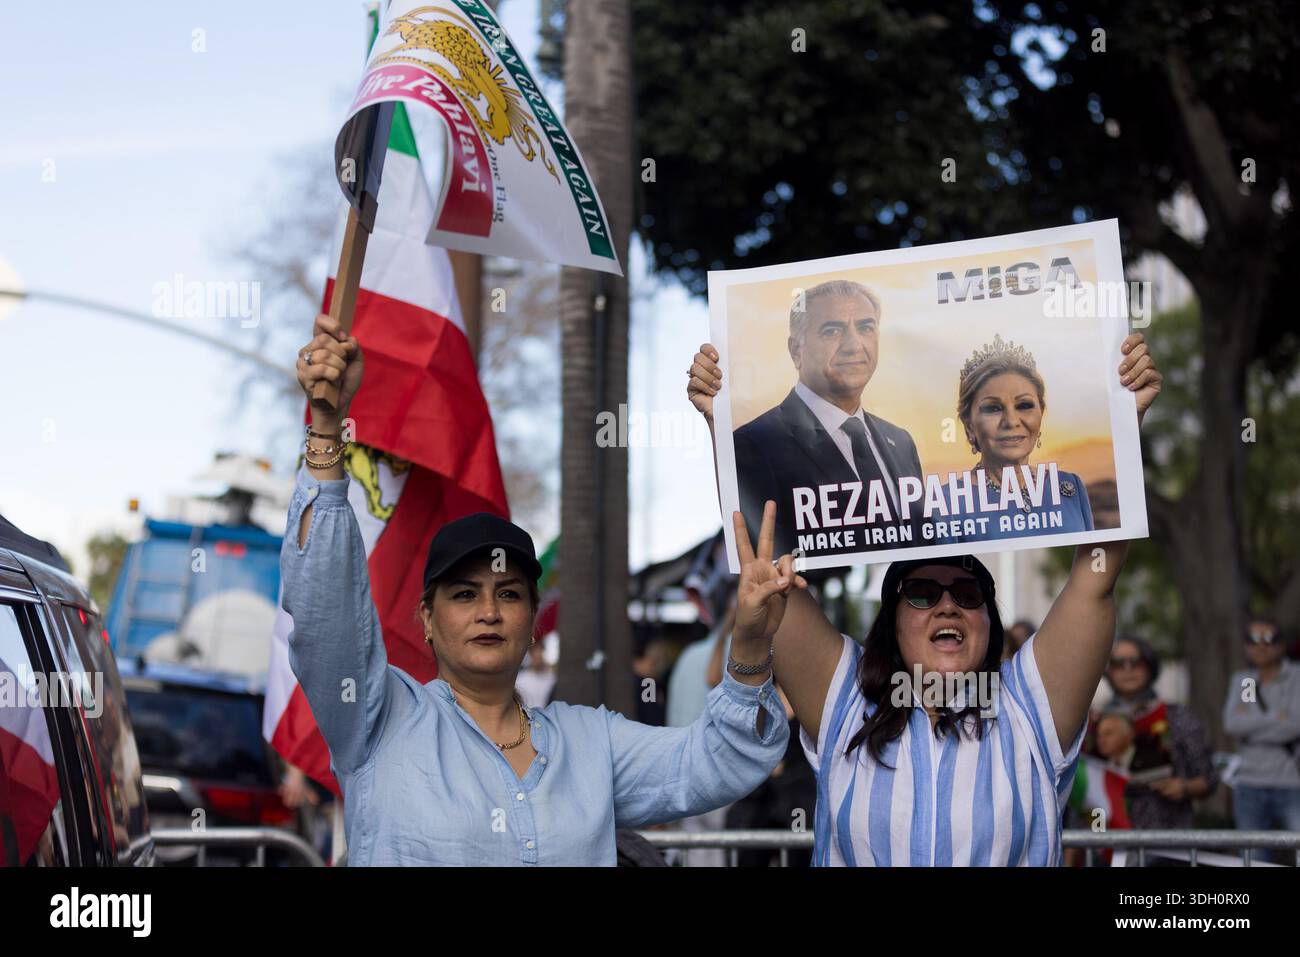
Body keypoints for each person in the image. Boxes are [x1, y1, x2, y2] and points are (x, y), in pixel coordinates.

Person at [284, 313, 789, 866]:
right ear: (426, 619)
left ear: (531, 619)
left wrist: (746, 647)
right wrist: (328, 428)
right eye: (463, 594)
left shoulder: (590, 743)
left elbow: (719, 760)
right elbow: (325, 611)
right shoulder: (379, 721)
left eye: (508, 594)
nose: (488, 612)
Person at [689, 331, 1162, 865]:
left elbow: (1096, 574)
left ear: (989, 620)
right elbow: (766, 560)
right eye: (920, 593)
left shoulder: (1030, 709)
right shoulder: (845, 705)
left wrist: (1126, 420)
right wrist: (721, 426)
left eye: (967, 592)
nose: (947, 605)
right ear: (891, 622)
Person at [720, 280, 923, 558]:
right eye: (832, 331)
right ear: (796, 350)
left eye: (865, 328)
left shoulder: (901, 441)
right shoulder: (755, 444)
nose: (854, 345)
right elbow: (765, 564)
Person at [946, 335, 1092, 543]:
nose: (1011, 421)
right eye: (993, 408)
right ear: (969, 425)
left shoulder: (1070, 488)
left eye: (1024, 405)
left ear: (1041, 413)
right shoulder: (947, 504)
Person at [1088, 634, 1216, 829]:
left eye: (1136, 662)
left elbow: (1208, 778)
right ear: (1108, 671)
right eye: (1118, 663)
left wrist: (1184, 787)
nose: (1127, 669)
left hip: (1165, 835)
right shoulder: (1093, 722)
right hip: (1105, 840)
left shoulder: (1176, 716)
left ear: (1150, 666)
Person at [1222, 617, 1300, 843]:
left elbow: (1295, 726)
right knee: (1253, 856)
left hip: (1292, 782)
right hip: (1249, 785)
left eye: (1269, 639)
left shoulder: (1295, 677)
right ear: (1246, 646)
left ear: (1281, 644)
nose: (1262, 645)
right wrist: (1276, 717)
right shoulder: (1247, 681)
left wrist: (1255, 726)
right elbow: (1235, 725)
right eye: (1254, 639)